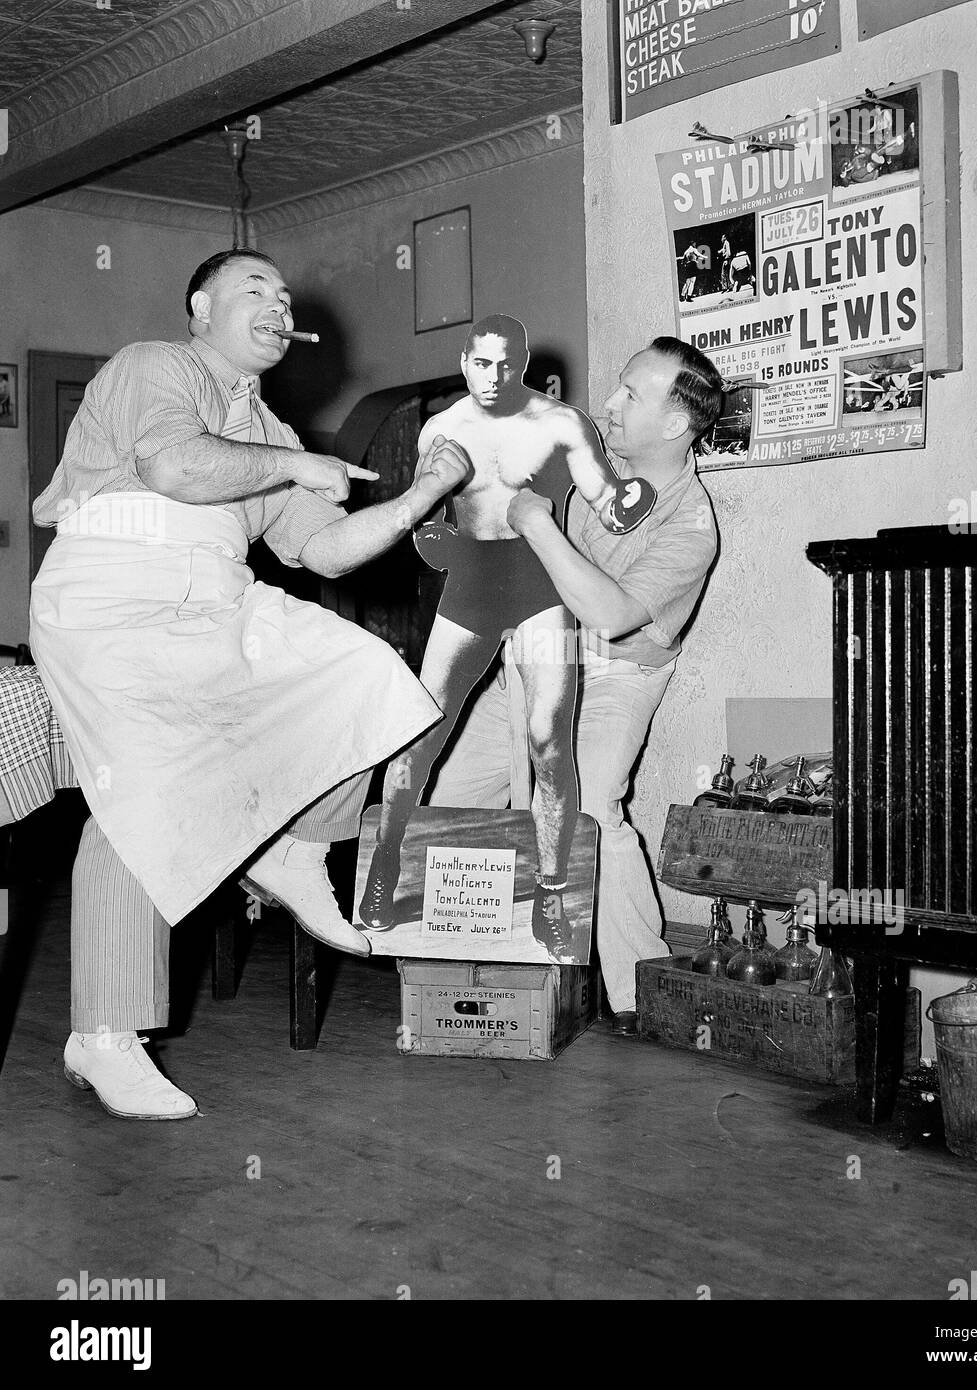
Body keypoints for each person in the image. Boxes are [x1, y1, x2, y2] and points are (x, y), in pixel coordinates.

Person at [29, 248, 470, 1121]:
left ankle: (297, 852)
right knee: (146, 790)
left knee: (371, 676)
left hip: (218, 601)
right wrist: (297, 469)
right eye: (252, 289)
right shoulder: (154, 365)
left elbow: (327, 549)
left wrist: (424, 491)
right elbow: (176, 469)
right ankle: (107, 1037)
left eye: (284, 295)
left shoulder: (271, 434)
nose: (277, 304)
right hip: (114, 597)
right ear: (199, 306)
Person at [428, 337, 721, 1034]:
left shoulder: (691, 523)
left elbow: (613, 614)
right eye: (614, 388)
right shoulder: (578, 459)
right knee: (450, 803)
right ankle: (450, 979)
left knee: (586, 808)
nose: (608, 405)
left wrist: (533, 521)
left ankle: (639, 992)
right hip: (533, 656)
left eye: (630, 395)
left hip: (616, 673)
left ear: (677, 423)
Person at [359, 315, 657, 961]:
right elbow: (427, 520)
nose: (492, 378)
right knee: (421, 730)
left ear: (521, 364)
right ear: (464, 361)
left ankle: (551, 896)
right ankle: (385, 867)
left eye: (505, 365)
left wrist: (626, 501)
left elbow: (606, 497)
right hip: (469, 586)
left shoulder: (560, 423)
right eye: (480, 363)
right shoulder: (440, 430)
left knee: (549, 743)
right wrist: (429, 543)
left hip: (540, 588)